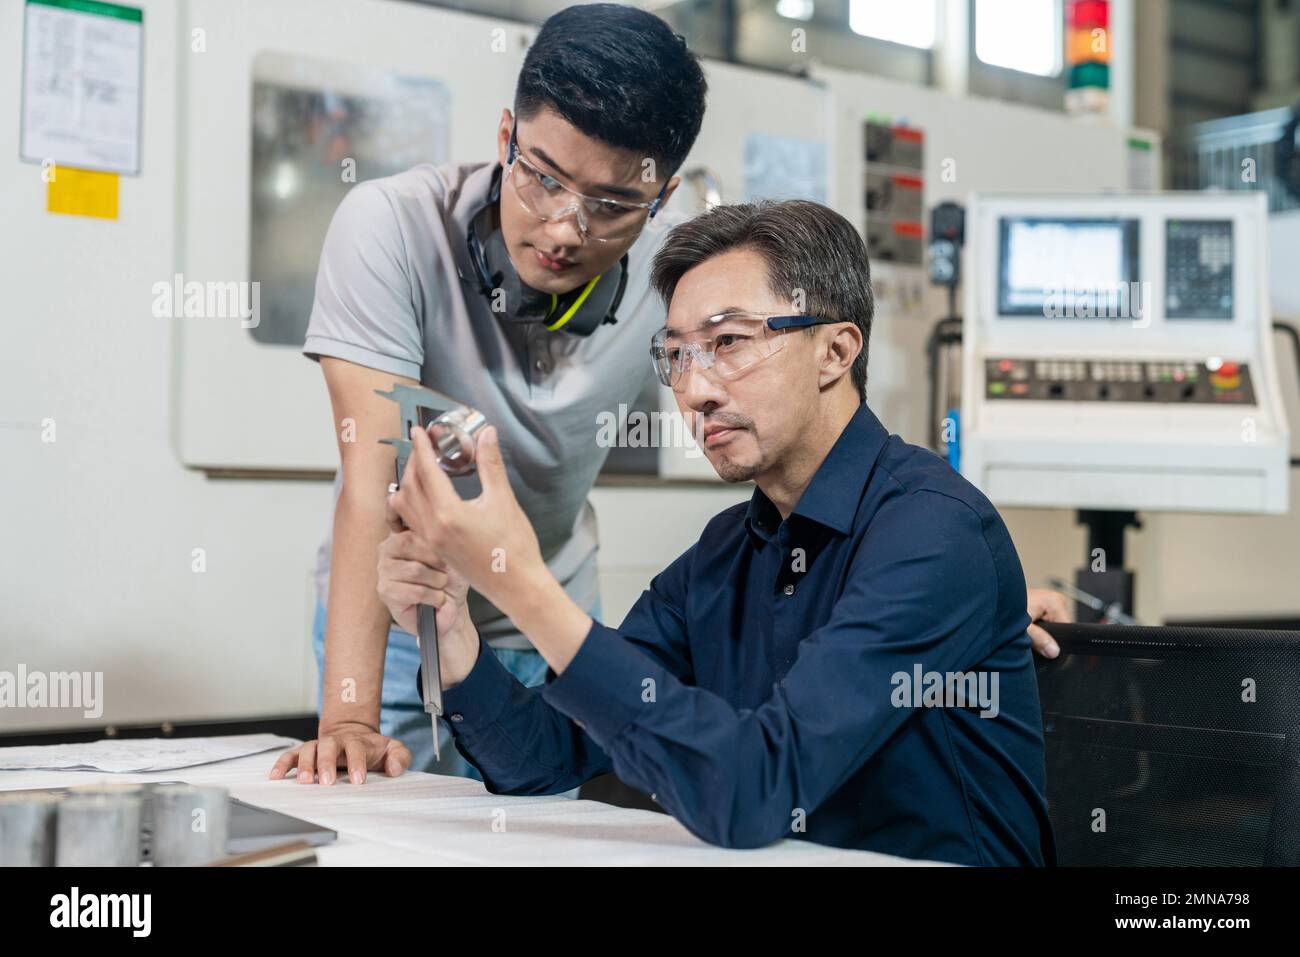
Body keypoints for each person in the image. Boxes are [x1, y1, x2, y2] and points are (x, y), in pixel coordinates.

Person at [381, 199, 1056, 863]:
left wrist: (521, 582)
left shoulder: (935, 532)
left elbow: (753, 788)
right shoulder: (725, 554)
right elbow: (543, 757)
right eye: (676, 355)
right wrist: (450, 630)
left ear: (835, 350)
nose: (695, 390)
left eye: (728, 343)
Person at [270, 4, 708, 786]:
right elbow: (373, 482)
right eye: (543, 178)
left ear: (661, 194)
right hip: (404, 614)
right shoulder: (393, 229)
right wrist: (348, 719)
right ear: (506, 135)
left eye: (610, 205)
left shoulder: (678, 265)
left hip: (555, 623)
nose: (566, 229)